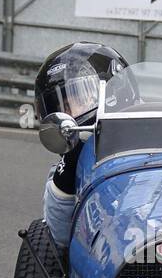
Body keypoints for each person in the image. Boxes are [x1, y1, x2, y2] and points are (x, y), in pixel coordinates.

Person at [34, 41, 129, 248]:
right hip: (114, 244)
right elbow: (60, 237)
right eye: (62, 107)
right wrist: (69, 164)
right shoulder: (72, 163)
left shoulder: (157, 122)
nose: (68, 114)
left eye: (80, 98)